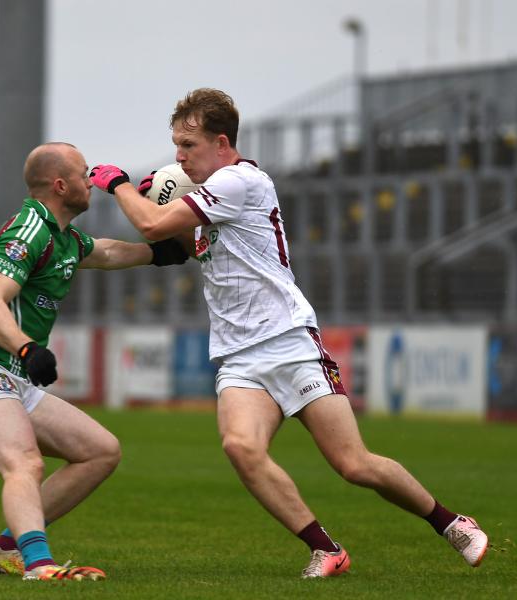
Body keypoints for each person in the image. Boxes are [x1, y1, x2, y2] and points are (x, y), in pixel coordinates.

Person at [89, 88, 489, 579]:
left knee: (354, 465)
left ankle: (451, 523)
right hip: (238, 355)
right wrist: (82, 246)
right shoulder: (209, 205)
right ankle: (326, 550)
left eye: (188, 145)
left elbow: (150, 226)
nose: (179, 155)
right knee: (241, 447)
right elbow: (160, 246)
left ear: (221, 143)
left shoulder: (241, 181)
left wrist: (119, 186)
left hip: (289, 341)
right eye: (176, 145)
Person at [0, 142, 188, 582]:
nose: (91, 179)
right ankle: (39, 564)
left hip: (8, 376)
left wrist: (163, 254)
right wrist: (27, 349)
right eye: (84, 172)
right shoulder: (29, 228)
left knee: (99, 452)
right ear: (59, 184)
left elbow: (104, 252)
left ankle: (7, 548)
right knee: (25, 463)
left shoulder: (62, 236)